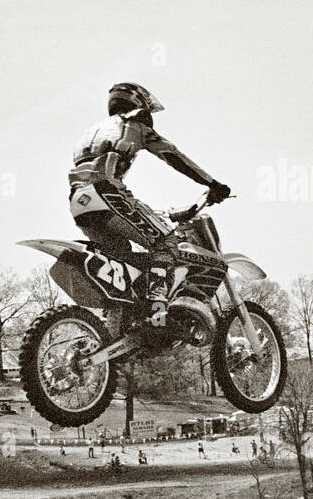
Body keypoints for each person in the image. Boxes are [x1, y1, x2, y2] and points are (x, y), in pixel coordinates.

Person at [68, 82, 230, 327]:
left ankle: (113, 330)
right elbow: (173, 156)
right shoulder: (134, 125)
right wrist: (212, 183)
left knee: (123, 263)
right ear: (138, 103)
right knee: (166, 242)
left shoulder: (91, 131)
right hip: (107, 193)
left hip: (80, 203)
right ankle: (157, 311)